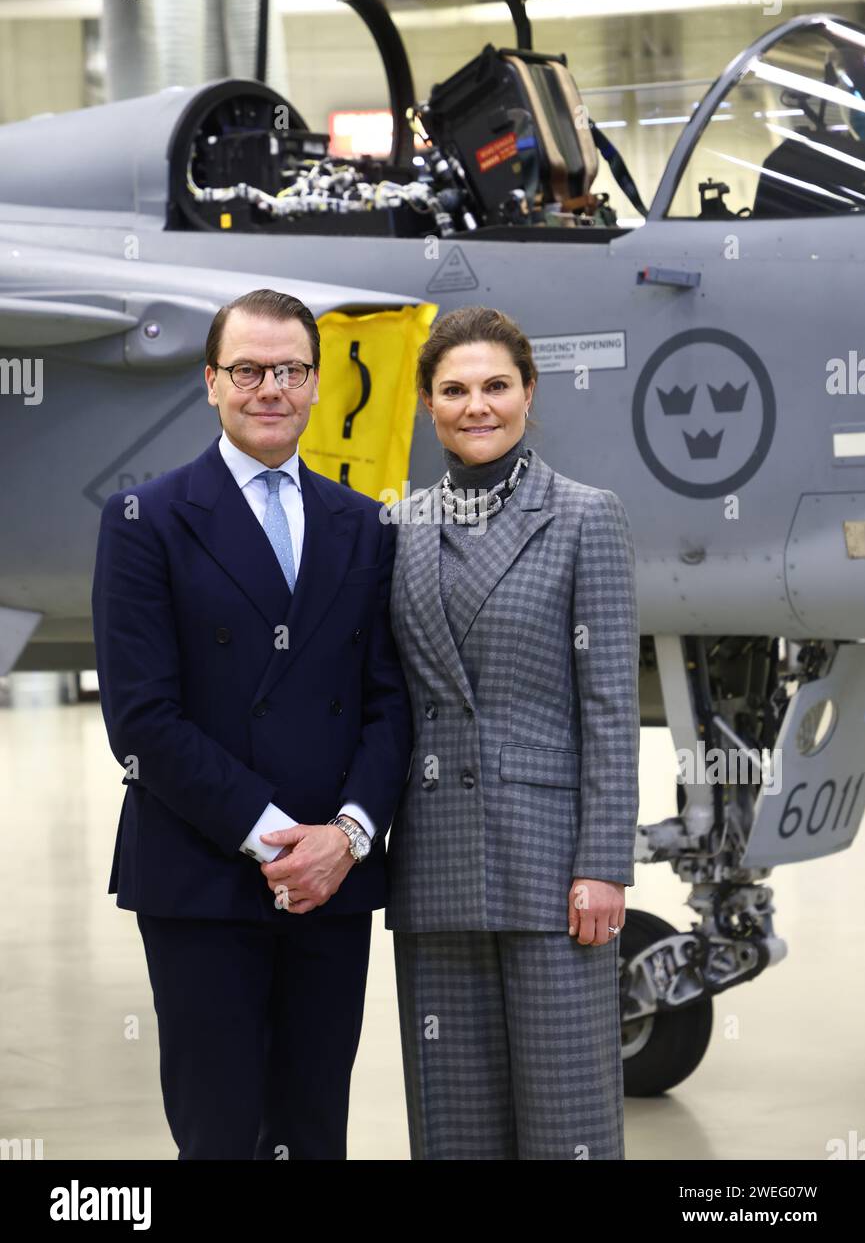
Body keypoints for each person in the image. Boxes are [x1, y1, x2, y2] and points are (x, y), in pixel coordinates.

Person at [91, 287, 412, 1160]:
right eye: (247, 370)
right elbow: (142, 718)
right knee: (218, 1134)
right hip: (202, 875)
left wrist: (344, 837)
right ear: (210, 383)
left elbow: (390, 702)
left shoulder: (365, 524)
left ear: (315, 386)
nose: (269, 388)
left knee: (314, 1131)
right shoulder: (144, 521)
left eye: (290, 371)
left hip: (331, 884)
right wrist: (279, 840)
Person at [384, 305, 640, 1160]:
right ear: (427, 404)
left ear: (529, 393)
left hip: (550, 869)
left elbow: (607, 702)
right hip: (434, 866)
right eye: (453, 390)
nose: (476, 405)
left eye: (495, 386)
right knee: (453, 1130)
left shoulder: (583, 517)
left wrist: (602, 863)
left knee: (566, 1122)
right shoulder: (403, 529)